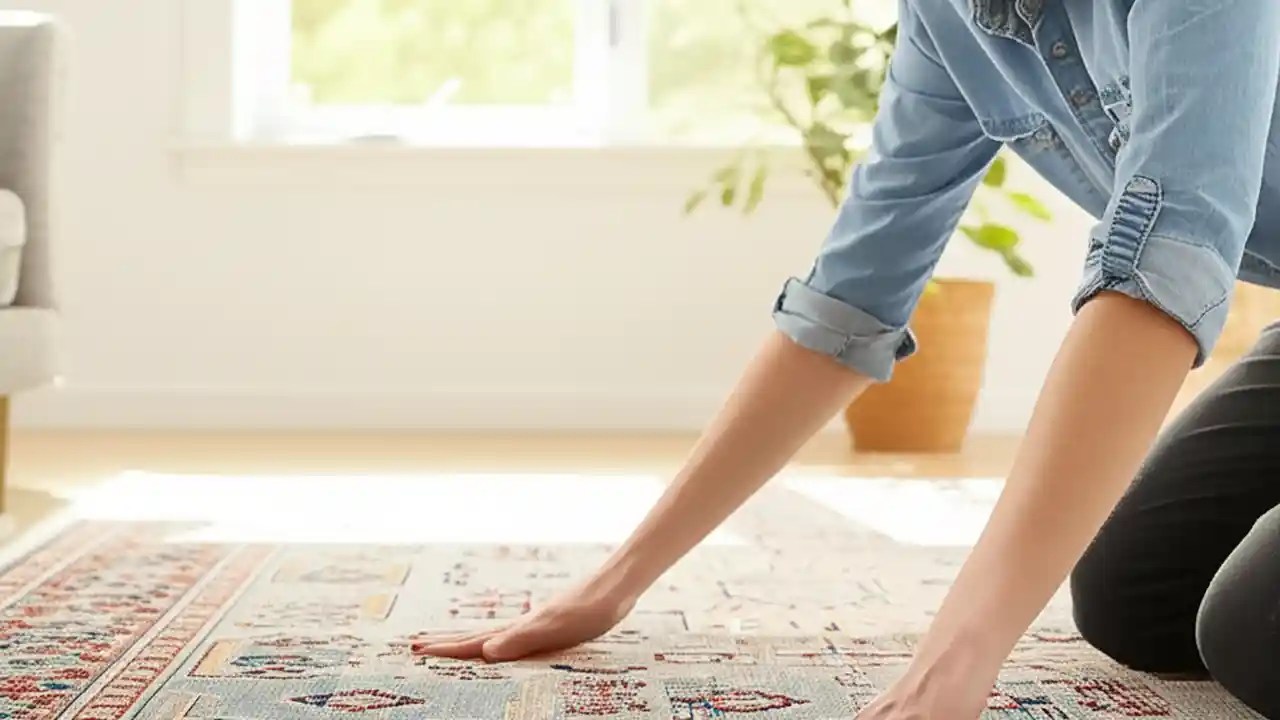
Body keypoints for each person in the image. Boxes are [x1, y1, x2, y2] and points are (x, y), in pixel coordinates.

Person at [420, 0, 1280, 717]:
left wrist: (957, 657)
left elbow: (1165, 258)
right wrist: (615, 582)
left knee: (1252, 630)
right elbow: (852, 297)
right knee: (1136, 599)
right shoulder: (949, 18)